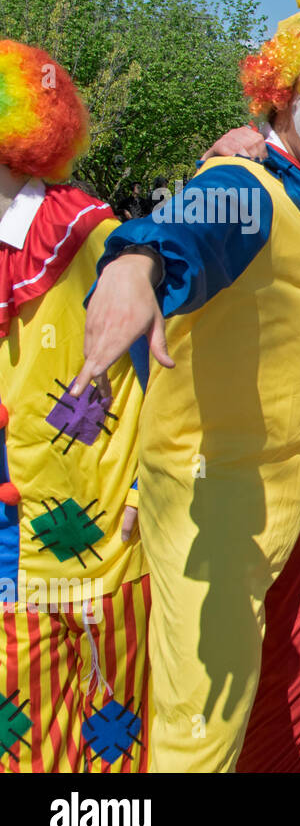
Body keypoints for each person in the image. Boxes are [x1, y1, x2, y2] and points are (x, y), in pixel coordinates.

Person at [75, 0, 300, 771]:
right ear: (279, 95)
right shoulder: (244, 187)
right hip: (211, 496)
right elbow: (186, 226)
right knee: (205, 717)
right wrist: (135, 265)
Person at [0, 40, 149, 772]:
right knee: (13, 730)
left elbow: (166, 368)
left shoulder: (87, 234)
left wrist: (158, 478)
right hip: (7, 546)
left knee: (108, 730)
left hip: (94, 530)